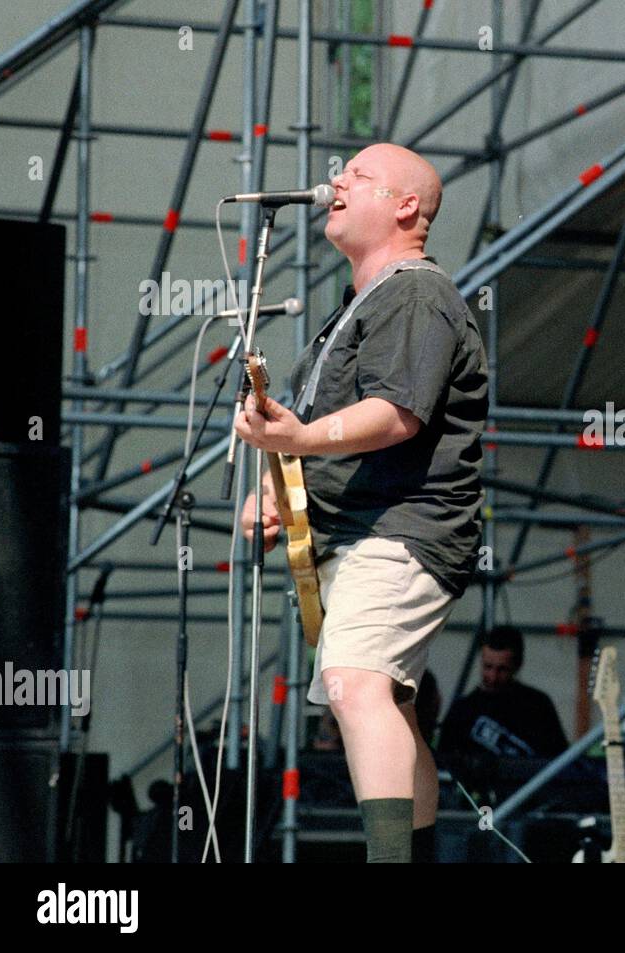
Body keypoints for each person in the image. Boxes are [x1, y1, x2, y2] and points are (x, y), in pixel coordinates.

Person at [236, 142, 487, 863]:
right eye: (341, 172)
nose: (336, 181)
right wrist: (281, 487)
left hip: (401, 528)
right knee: (392, 707)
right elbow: (327, 427)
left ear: (406, 206)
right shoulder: (362, 303)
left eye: (358, 175)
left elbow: (398, 413)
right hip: (359, 529)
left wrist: (305, 436)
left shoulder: (415, 291)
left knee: (355, 684)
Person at [438, 626, 569, 764]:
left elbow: (559, 761)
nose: (493, 676)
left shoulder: (538, 706)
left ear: (517, 666)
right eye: (488, 667)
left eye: (502, 669)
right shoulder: (462, 711)